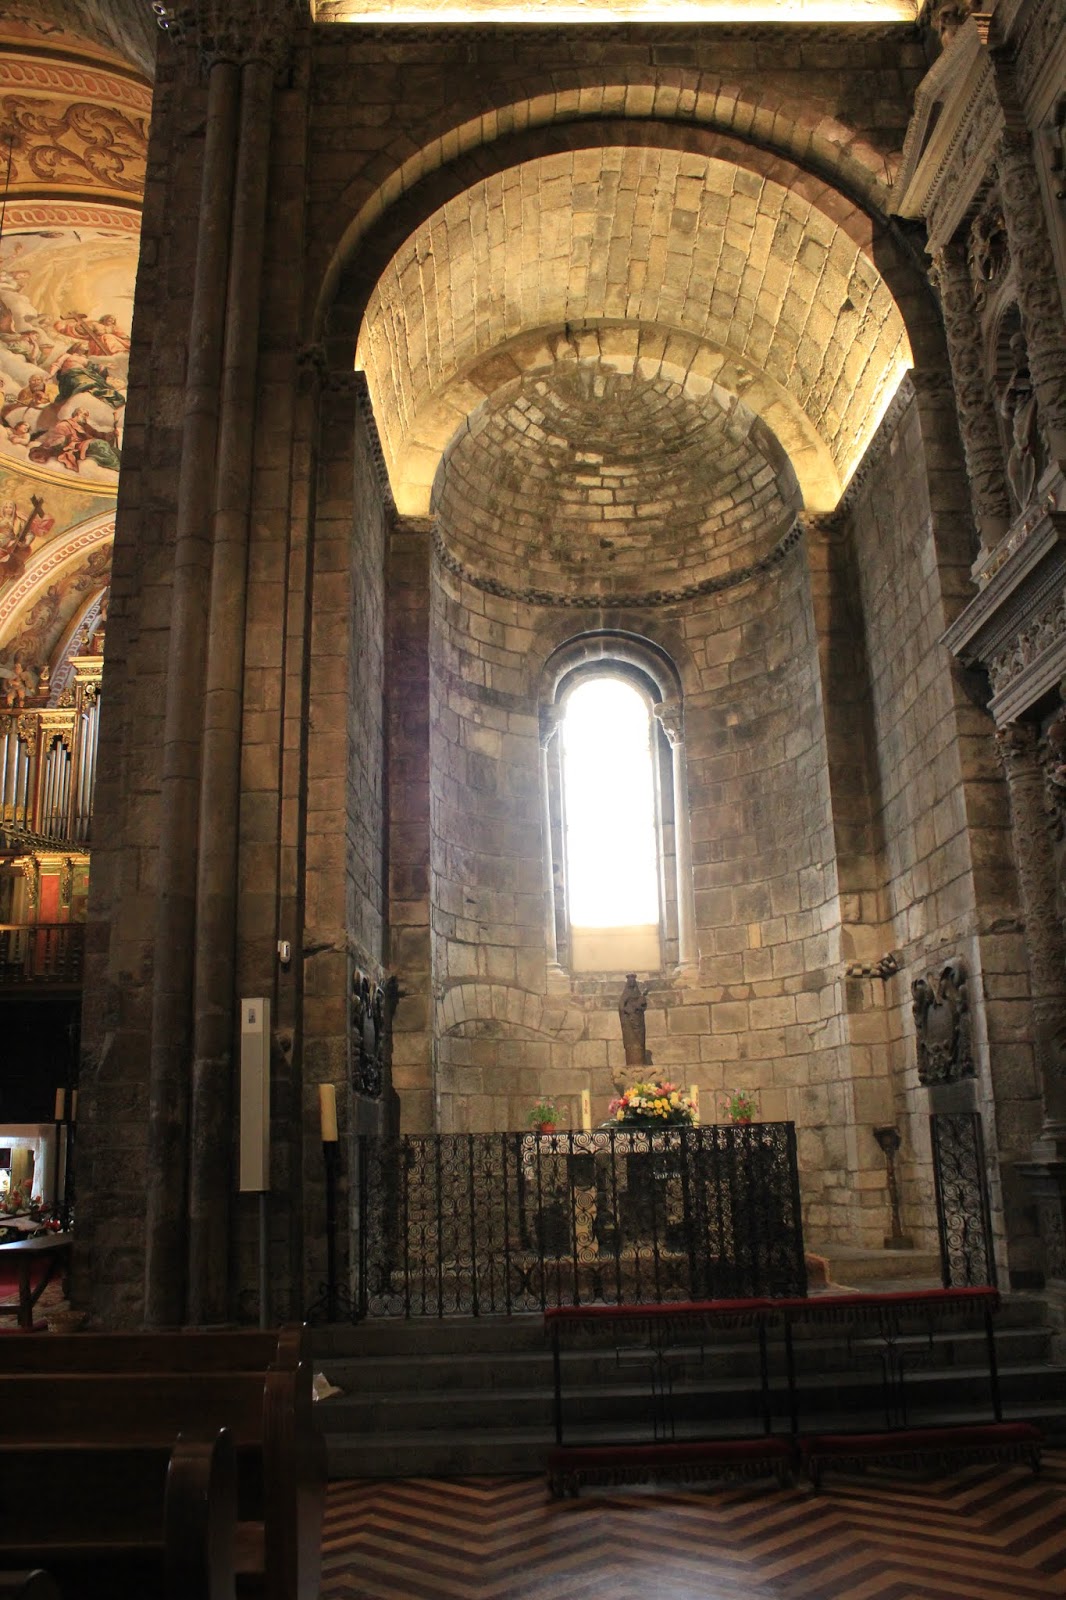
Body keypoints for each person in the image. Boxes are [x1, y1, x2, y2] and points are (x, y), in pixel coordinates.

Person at [618, 973, 647, 1068]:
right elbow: (621, 1007)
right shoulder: (626, 994)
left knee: (640, 1043)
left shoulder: (638, 993)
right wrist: (629, 1010)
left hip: (639, 1021)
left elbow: (643, 1006)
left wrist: (641, 1004)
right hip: (629, 1023)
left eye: (633, 980)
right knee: (631, 1044)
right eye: (629, 980)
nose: (631, 982)